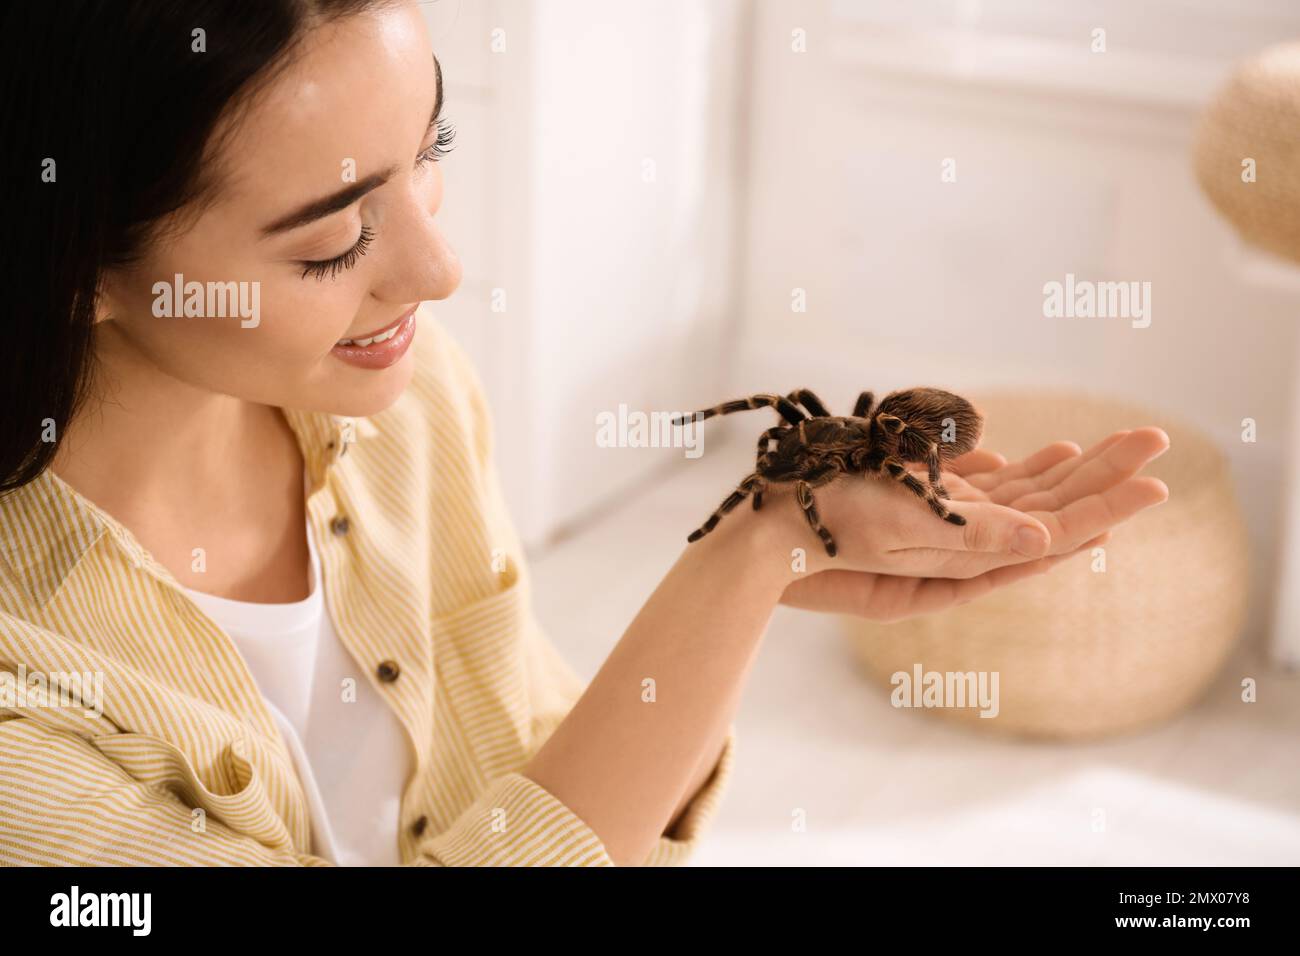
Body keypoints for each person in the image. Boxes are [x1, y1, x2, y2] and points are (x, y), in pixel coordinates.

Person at [0, 0, 1169, 866]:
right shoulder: (22, 712)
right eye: (329, 243)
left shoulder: (405, 410)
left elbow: (538, 758)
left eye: (431, 157)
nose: (440, 271)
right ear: (74, 262)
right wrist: (742, 562)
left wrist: (766, 554)